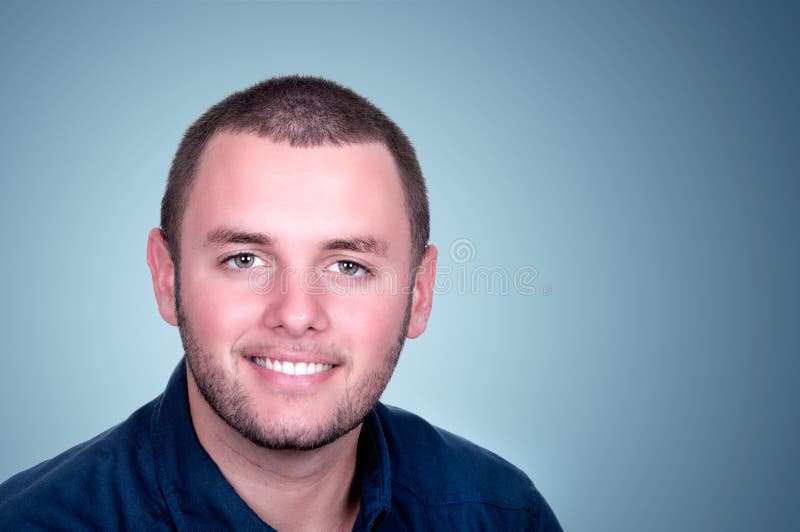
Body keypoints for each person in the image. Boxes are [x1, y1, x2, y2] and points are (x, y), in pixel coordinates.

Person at [0, 76, 562, 531]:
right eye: (245, 259)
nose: (295, 314)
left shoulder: (500, 515)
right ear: (167, 277)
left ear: (418, 294)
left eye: (349, 266)